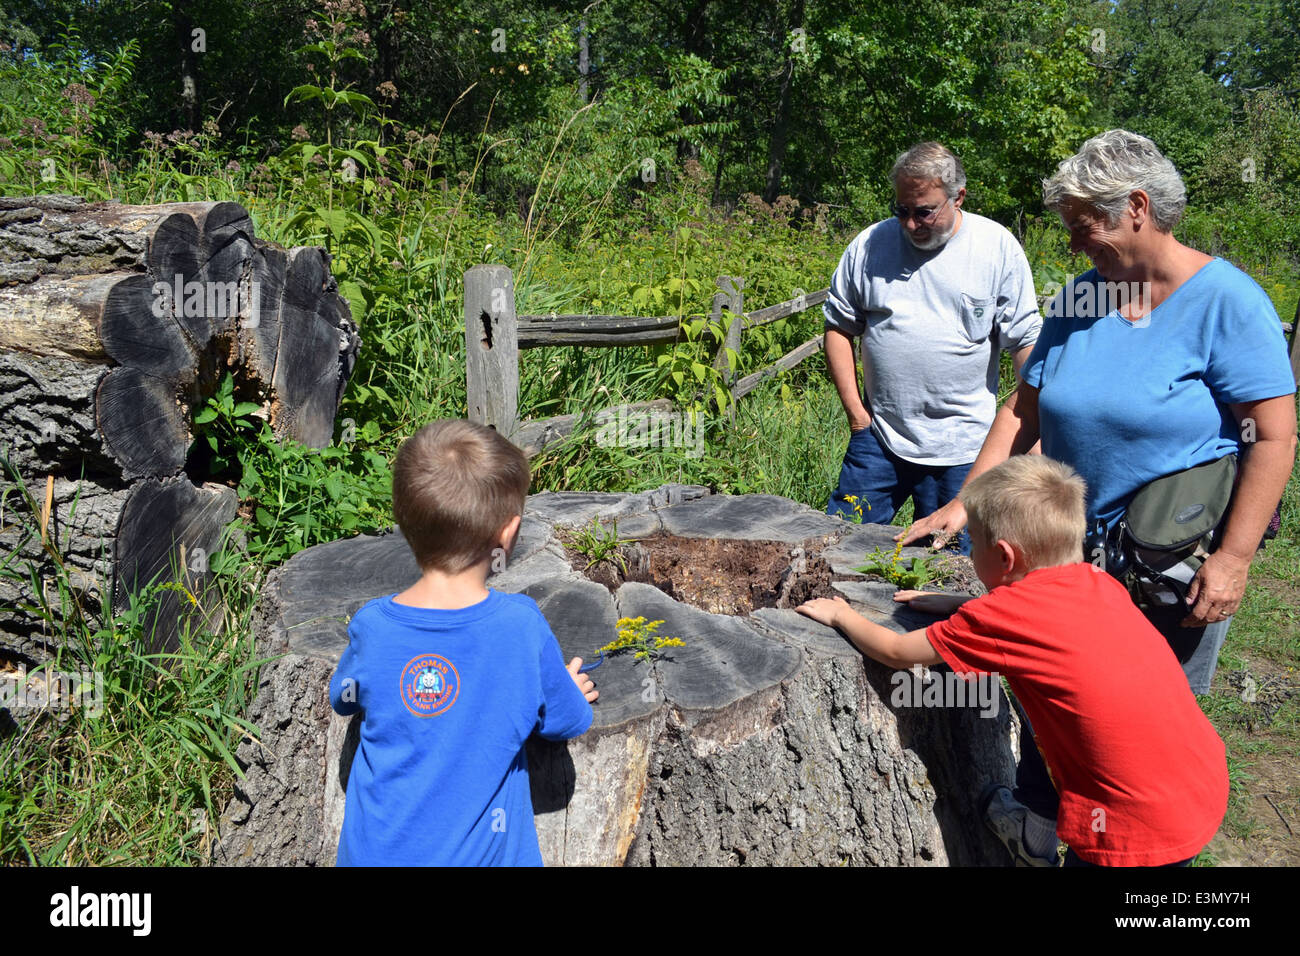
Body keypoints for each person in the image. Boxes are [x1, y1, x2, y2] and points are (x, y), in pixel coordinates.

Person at [901, 129, 1297, 695]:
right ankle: (1034, 790)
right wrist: (966, 502)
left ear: (1137, 207)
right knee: (1057, 698)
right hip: (1067, 558)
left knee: (1144, 715)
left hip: (1165, 563)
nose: (1072, 246)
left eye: (1082, 228)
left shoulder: (1226, 302)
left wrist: (1234, 559)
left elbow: (1274, 439)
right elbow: (1023, 409)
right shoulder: (1082, 297)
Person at [796, 455, 1229, 867]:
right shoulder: (1098, 582)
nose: (969, 555)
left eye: (974, 546)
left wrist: (842, 614)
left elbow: (896, 653)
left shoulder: (1004, 619)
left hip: (1126, 824)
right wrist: (964, 607)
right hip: (1194, 785)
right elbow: (1040, 622)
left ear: (1004, 556)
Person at [328, 419, 598, 866]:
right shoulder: (520, 627)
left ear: (403, 519)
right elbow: (567, 720)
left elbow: (344, 699)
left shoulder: (373, 626)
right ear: (508, 535)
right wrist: (566, 687)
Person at [822, 141, 1042, 552]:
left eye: (924, 211)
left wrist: (1036, 424)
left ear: (958, 197)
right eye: (901, 210)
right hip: (880, 440)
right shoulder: (869, 246)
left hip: (967, 448)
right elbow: (838, 327)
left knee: (955, 571)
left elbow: (1026, 342)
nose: (909, 224)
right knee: (839, 549)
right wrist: (856, 415)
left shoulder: (995, 248)